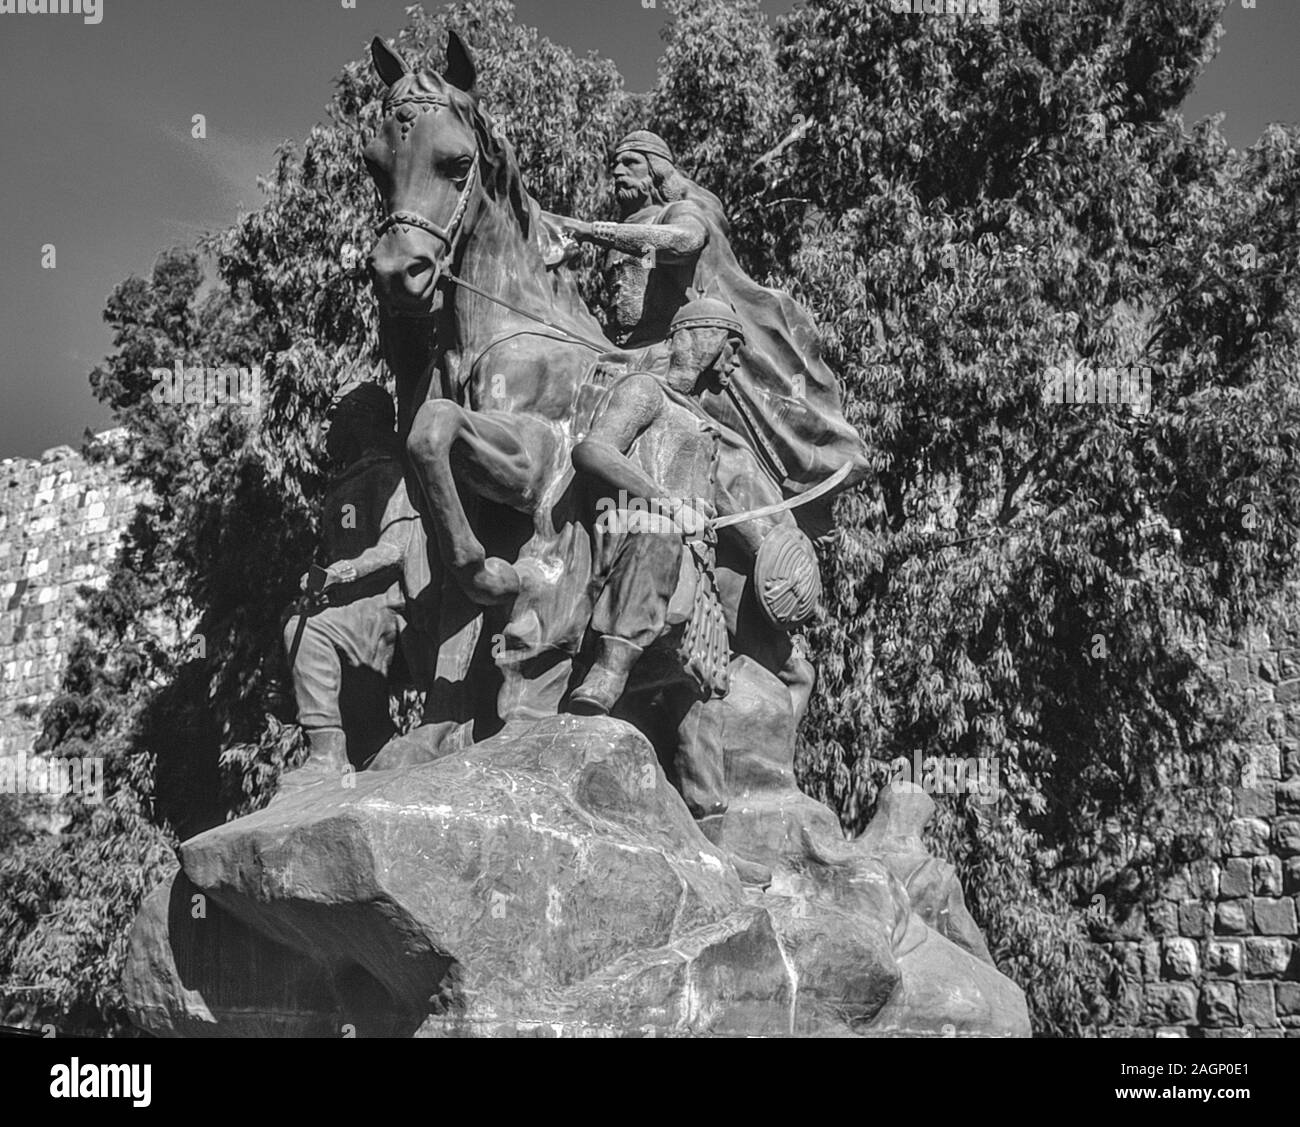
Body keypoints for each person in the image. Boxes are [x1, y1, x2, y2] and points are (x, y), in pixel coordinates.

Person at [570, 297, 772, 886]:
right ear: (702, 339)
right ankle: (607, 672)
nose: (734, 363)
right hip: (632, 534)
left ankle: (712, 841)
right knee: (661, 538)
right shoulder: (645, 392)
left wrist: (769, 550)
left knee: (701, 699)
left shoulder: (702, 423)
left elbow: (716, 502)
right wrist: (665, 503)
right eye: (730, 348)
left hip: (692, 561)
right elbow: (593, 450)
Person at [279, 384, 421, 789]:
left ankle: (326, 754)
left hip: (386, 603)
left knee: (306, 628)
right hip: (351, 602)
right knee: (297, 618)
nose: (327, 427)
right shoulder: (346, 481)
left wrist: (340, 573)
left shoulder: (389, 473)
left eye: (334, 416)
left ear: (360, 418)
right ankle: (368, 752)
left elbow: (395, 548)